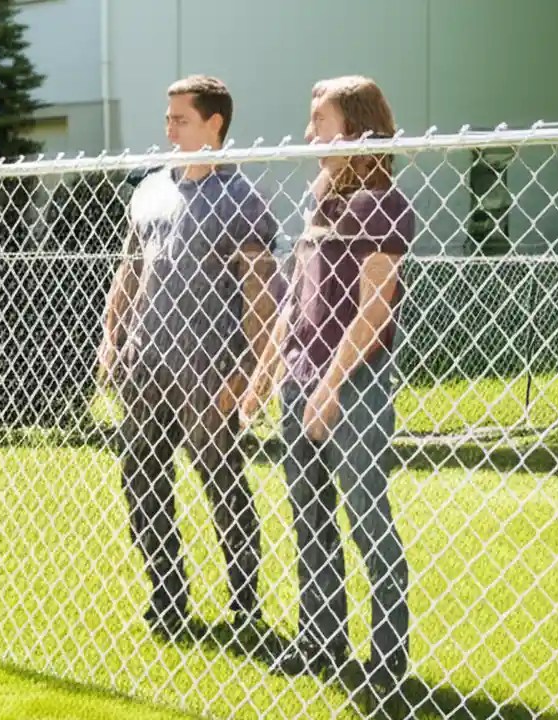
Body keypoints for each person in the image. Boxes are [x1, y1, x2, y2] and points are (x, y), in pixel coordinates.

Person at [241, 75, 413, 690]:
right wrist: (265, 375)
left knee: (367, 517)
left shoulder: (382, 204)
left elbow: (375, 309)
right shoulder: (320, 200)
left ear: (359, 127)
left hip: (355, 385)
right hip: (299, 378)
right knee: (308, 516)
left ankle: (389, 656)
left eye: (322, 120)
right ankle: (321, 639)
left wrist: (332, 384)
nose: (310, 134)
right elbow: (293, 300)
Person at [98, 75, 280, 638]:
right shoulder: (149, 190)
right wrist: (111, 337)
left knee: (221, 479)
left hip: (211, 368)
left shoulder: (242, 200)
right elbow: (129, 270)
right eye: (168, 116)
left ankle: (244, 598)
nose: (168, 126)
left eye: (180, 118)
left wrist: (250, 372)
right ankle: (167, 593)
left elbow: (259, 296)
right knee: (141, 476)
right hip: (145, 364)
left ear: (214, 125)